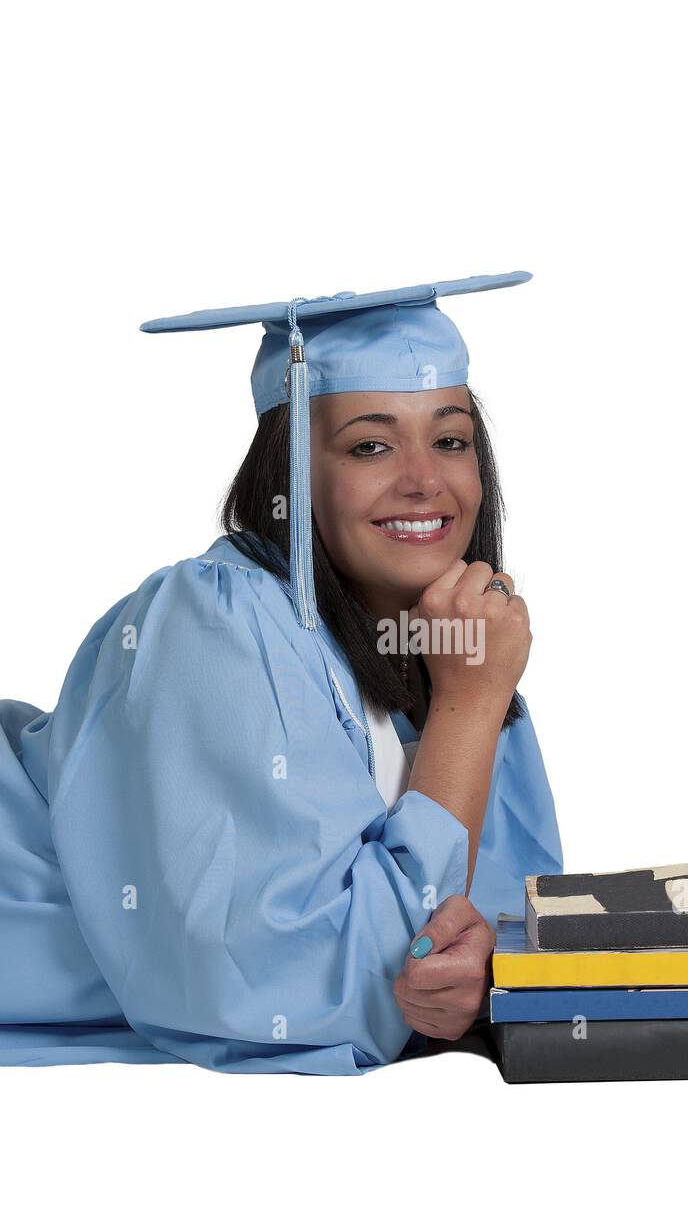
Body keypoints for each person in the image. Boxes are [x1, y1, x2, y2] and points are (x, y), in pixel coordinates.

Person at [0, 273, 562, 1074]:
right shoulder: (216, 619)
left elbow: (489, 930)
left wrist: (473, 976)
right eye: (369, 444)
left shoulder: (445, 648)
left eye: (450, 439)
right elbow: (308, 993)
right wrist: (470, 706)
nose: (423, 481)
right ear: (289, 476)